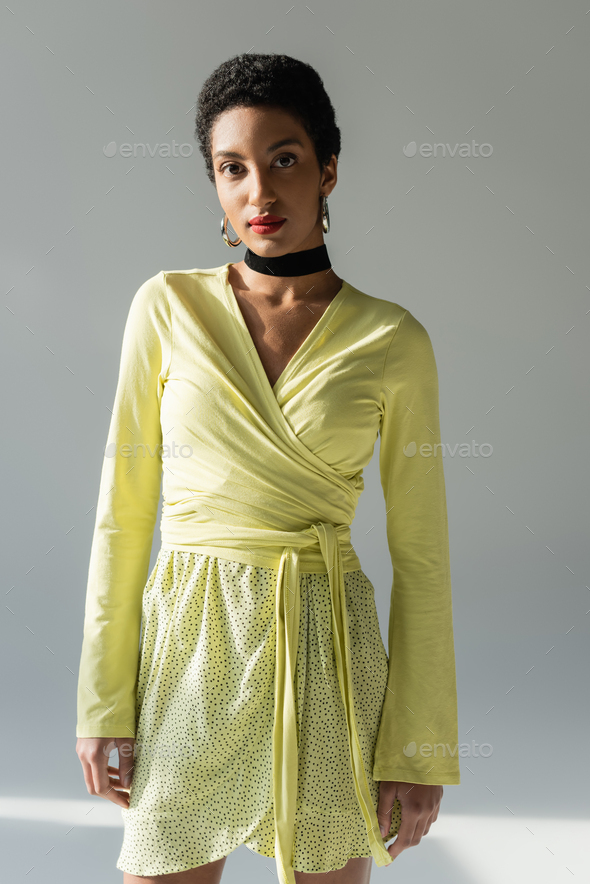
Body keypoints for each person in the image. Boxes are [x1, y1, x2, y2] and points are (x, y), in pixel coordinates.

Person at [75, 53, 460, 884]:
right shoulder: (166, 307)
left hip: (327, 653)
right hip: (188, 655)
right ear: (213, 182)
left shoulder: (392, 340)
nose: (260, 192)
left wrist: (419, 746)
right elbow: (122, 516)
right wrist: (103, 704)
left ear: (327, 169)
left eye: (284, 160)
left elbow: (423, 560)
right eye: (232, 168)